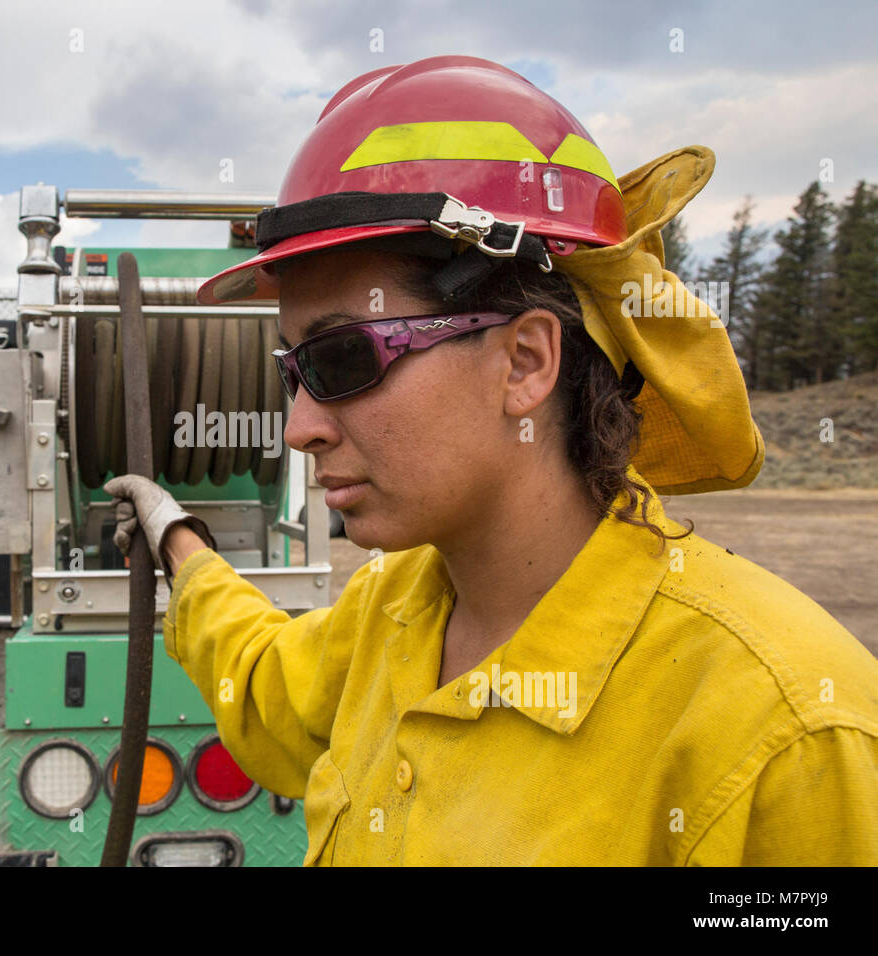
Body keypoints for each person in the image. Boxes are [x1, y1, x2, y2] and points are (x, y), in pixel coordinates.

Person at [105, 55, 878, 865]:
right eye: (291, 372)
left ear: (525, 363)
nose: (299, 428)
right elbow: (265, 686)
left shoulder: (785, 736)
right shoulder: (400, 612)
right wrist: (176, 539)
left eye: (340, 359)